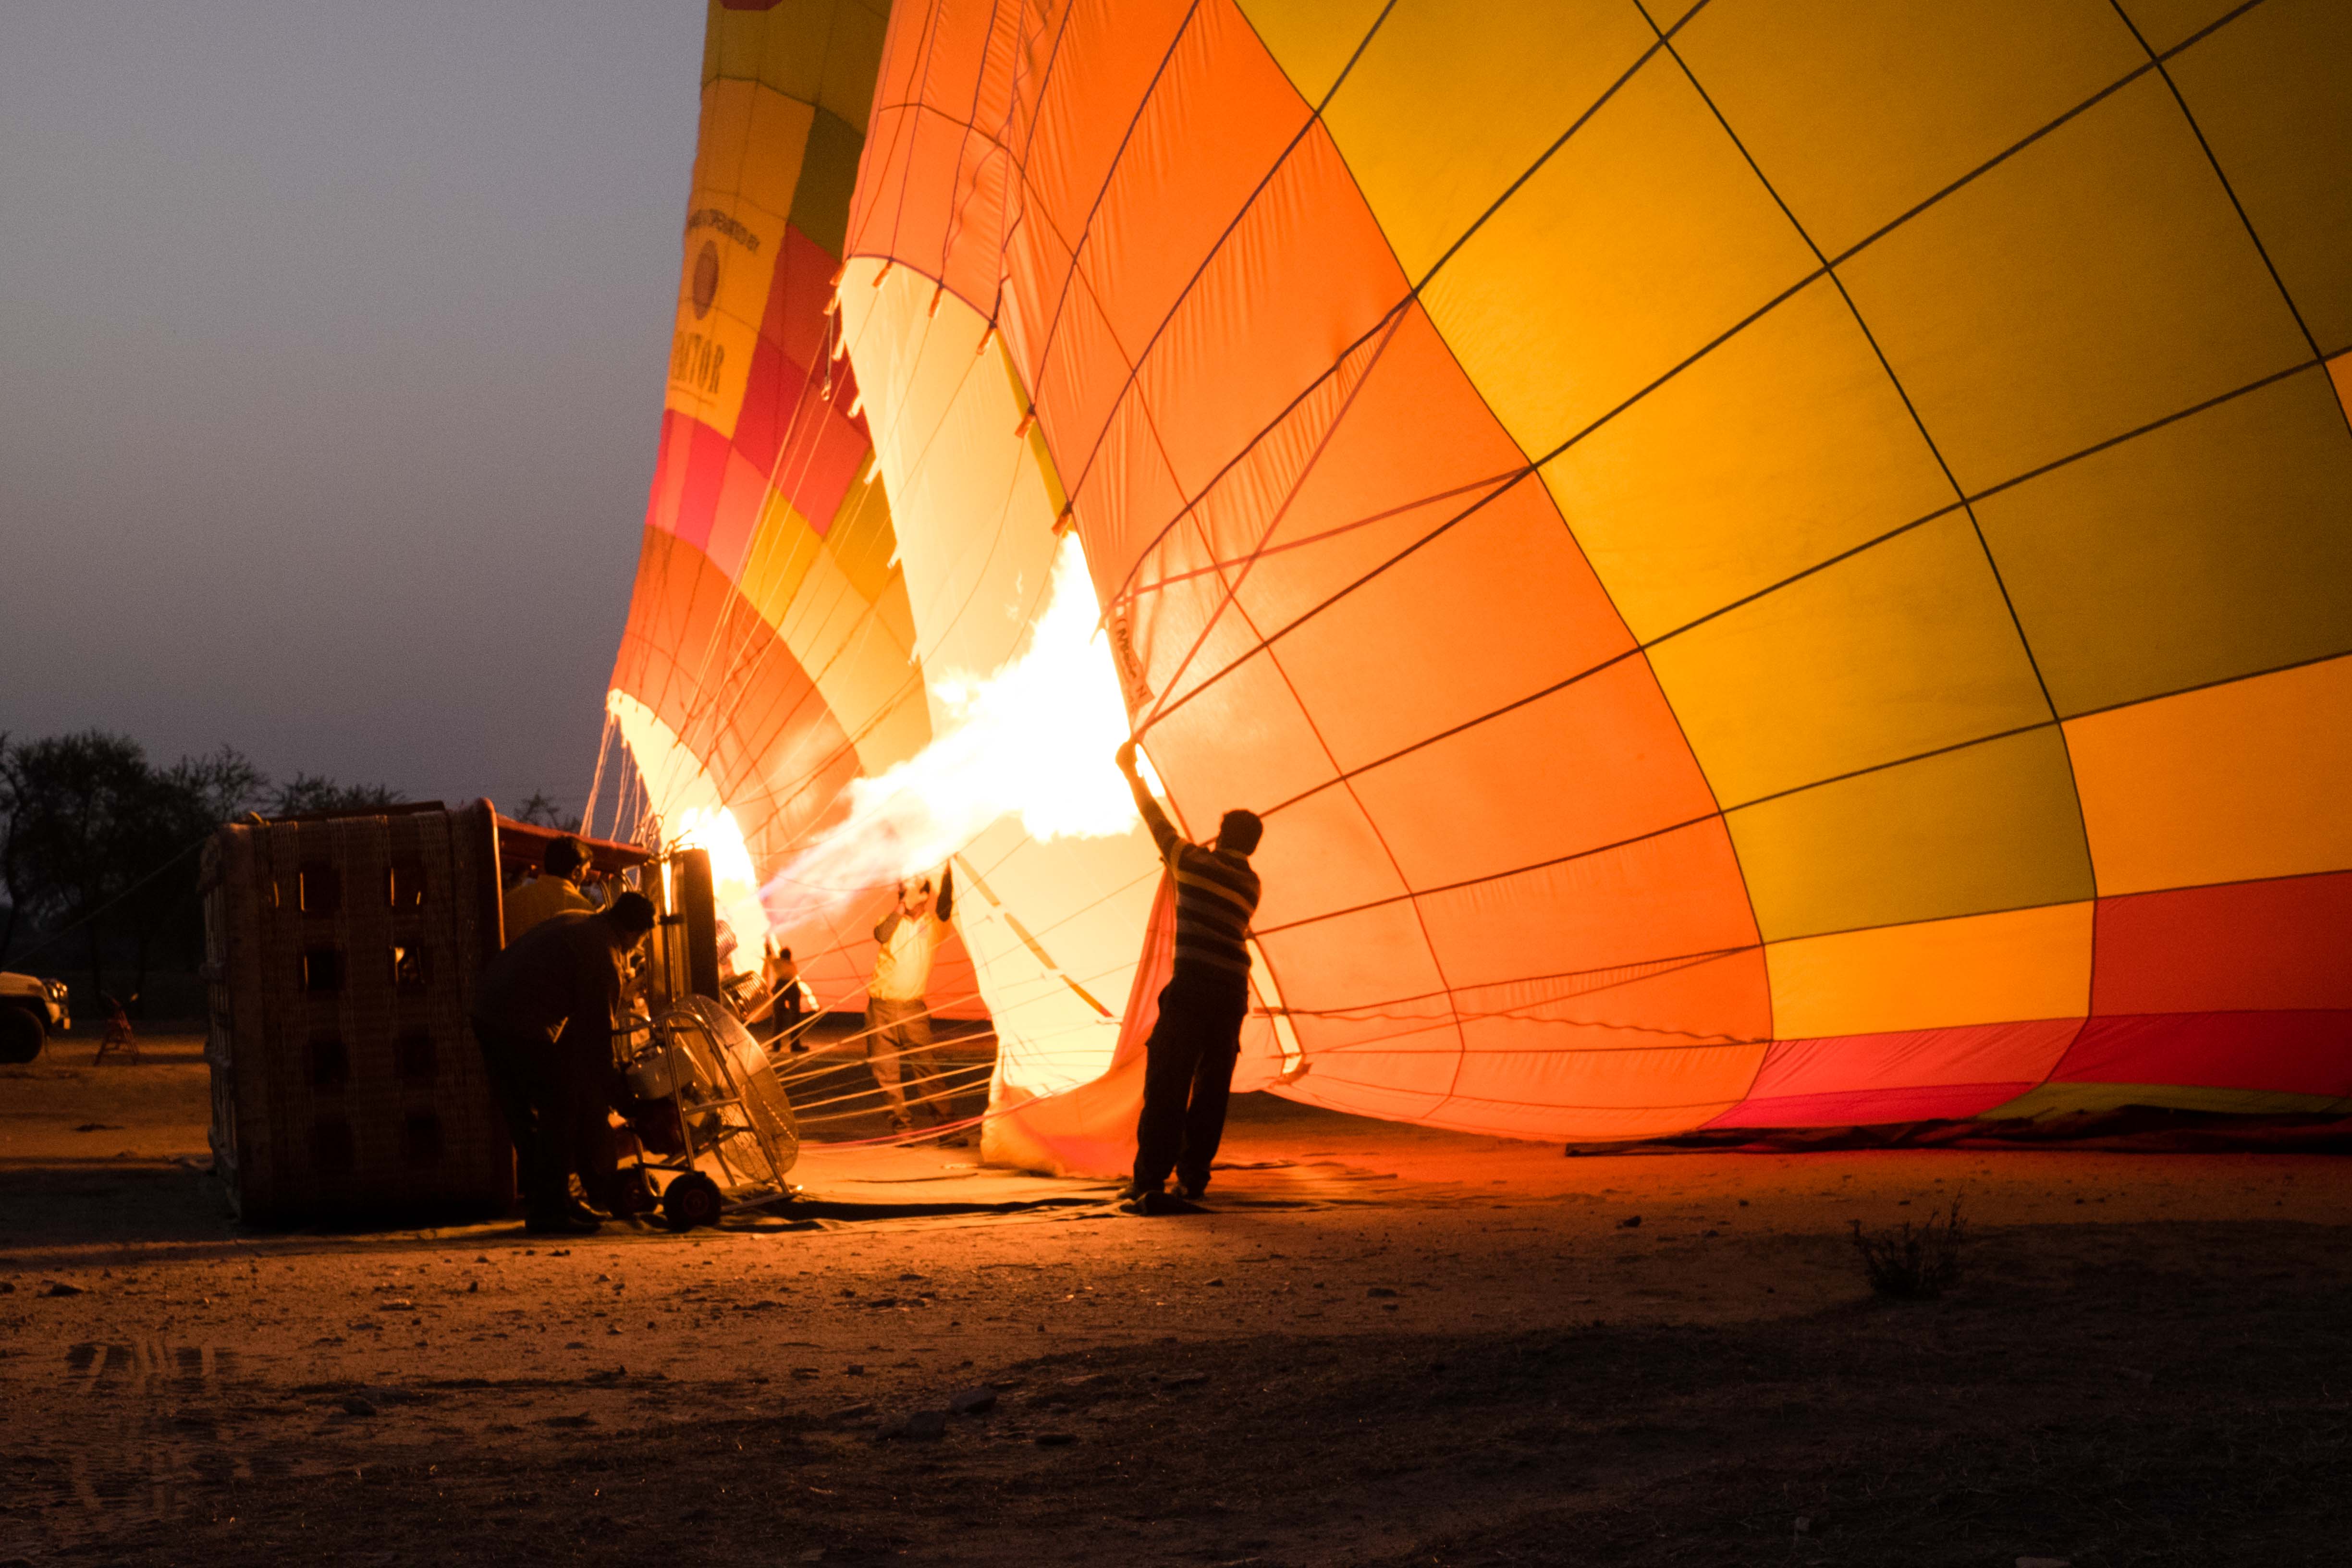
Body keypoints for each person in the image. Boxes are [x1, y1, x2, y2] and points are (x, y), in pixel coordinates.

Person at [1114, 738, 1262, 1213]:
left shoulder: (1195, 863)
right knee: (1211, 1089)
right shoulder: (1251, 884)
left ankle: (1149, 1178)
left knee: (1167, 1082)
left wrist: (1130, 772)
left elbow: (1157, 823)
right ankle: (1194, 1177)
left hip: (1194, 985)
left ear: (1221, 836)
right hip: (1232, 992)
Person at [471, 892, 658, 1235]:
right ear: (638, 934)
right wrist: (626, 1102)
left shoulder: (582, 919)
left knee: (527, 1117)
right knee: (561, 1108)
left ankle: (552, 1201)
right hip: (520, 1022)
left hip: (487, 1009)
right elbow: (598, 1041)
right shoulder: (606, 955)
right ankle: (550, 1213)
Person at [865, 865, 962, 1142]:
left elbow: (945, 905)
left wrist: (947, 872)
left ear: (924, 896)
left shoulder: (933, 926)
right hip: (880, 1009)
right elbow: (882, 934)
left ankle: (946, 1128)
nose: (902, 890)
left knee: (927, 1070)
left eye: (910, 887)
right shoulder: (890, 920)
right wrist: (900, 906)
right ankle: (902, 1129)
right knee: (886, 1074)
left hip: (913, 1010)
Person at [504, 835, 594, 941]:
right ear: (576, 872)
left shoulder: (512, 899)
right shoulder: (584, 911)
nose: (586, 877)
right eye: (586, 871)